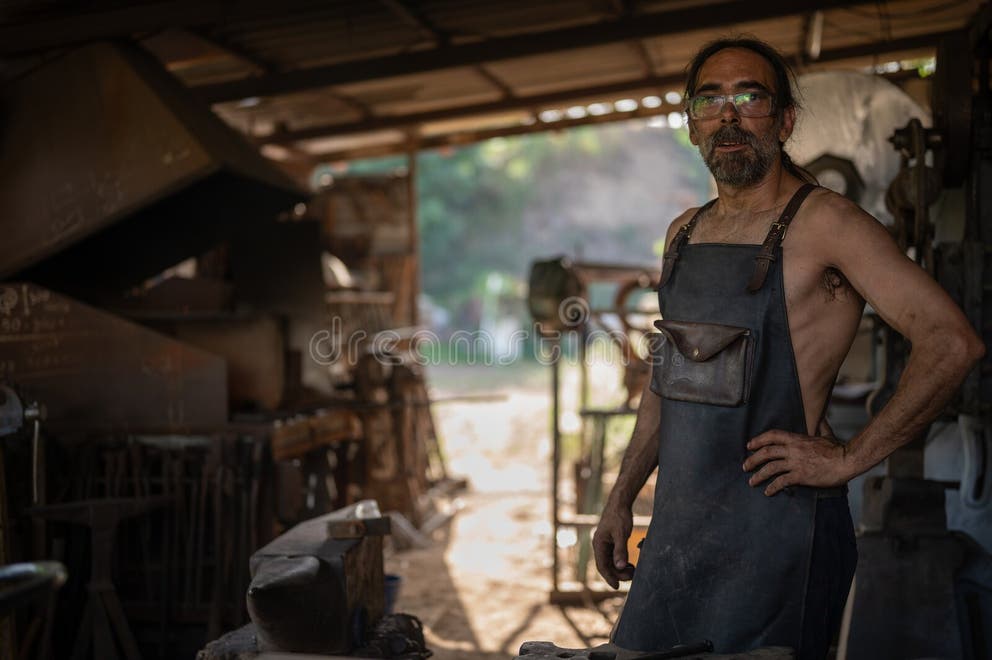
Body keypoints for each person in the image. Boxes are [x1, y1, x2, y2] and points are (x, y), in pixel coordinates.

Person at [592, 37, 985, 659]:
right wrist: (618, 501)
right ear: (692, 125)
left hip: (782, 537)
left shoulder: (827, 223)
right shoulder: (683, 234)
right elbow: (666, 383)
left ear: (784, 120)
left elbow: (952, 341)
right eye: (710, 100)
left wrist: (848, 459)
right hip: (680, 533)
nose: (729, 115)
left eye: (750, 97)